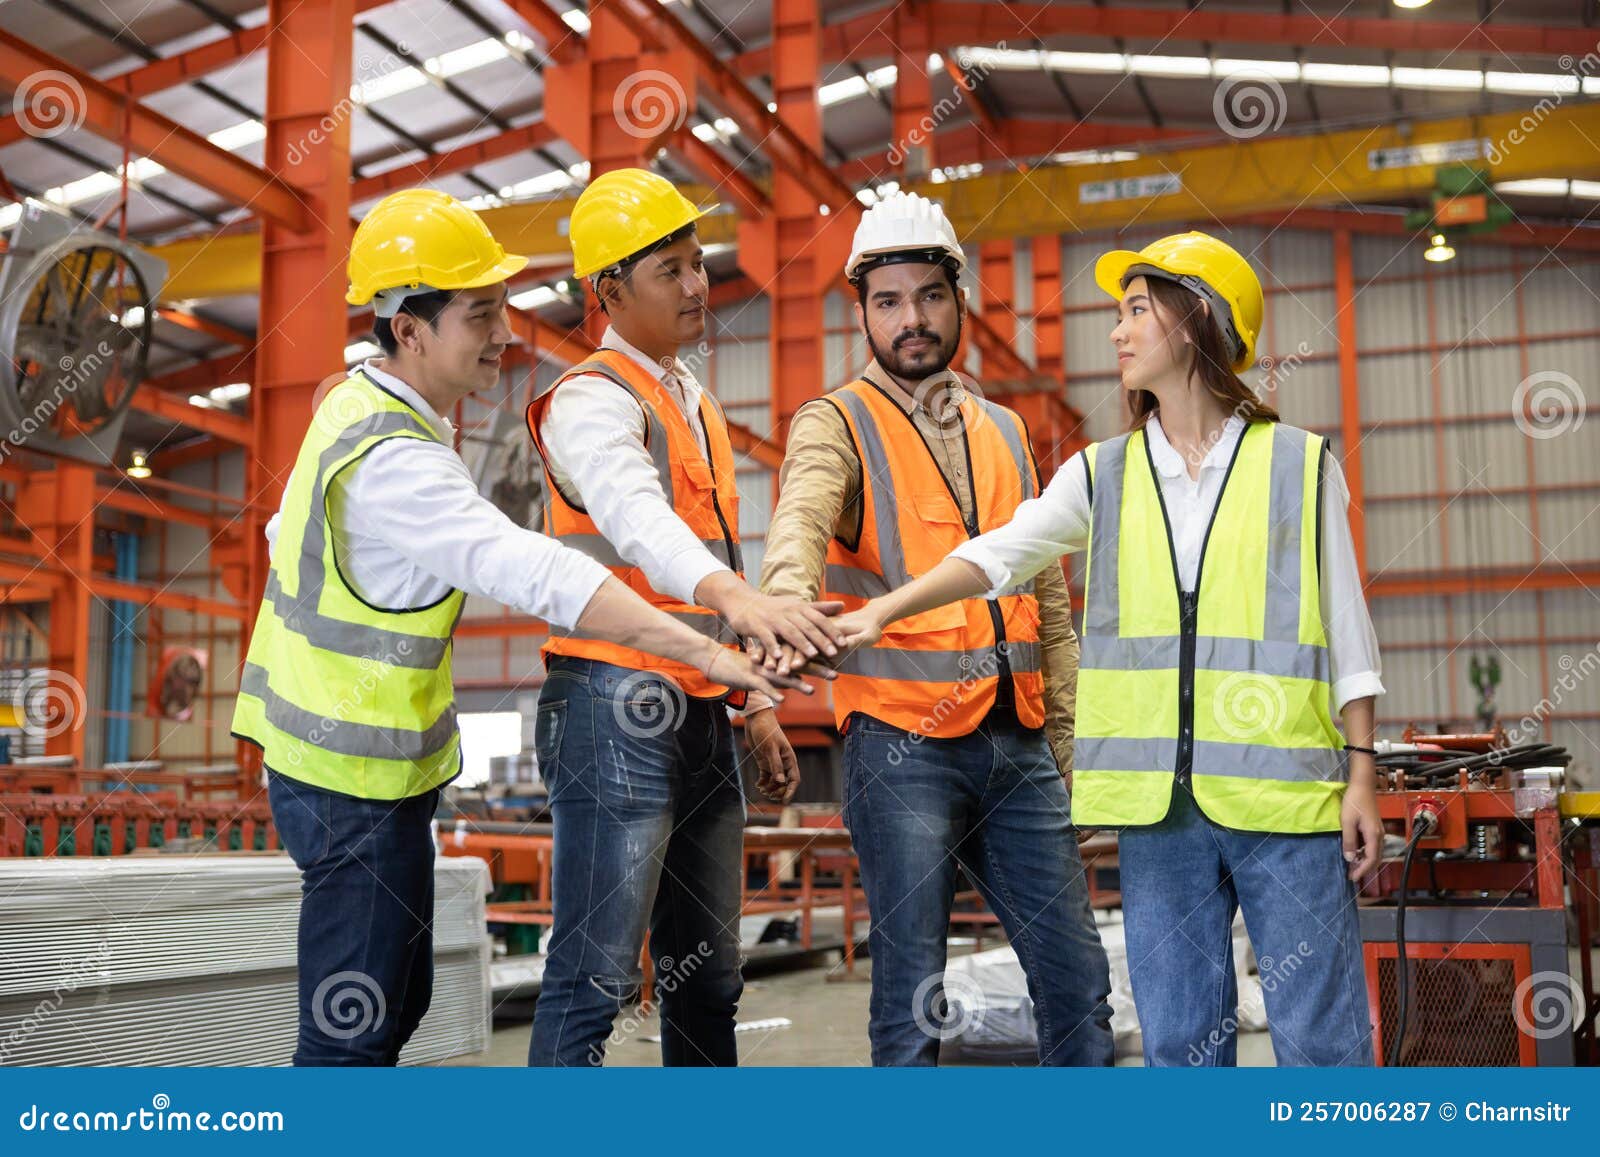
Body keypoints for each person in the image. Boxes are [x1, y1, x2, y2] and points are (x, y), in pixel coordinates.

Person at [233, 187, 809, 1067]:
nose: (505, 333)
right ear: (407, 329)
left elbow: (286, 539)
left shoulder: (361, 415)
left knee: (390, 1000)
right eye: (481, 315)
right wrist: (714, 639)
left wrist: (737, 682)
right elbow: (539, 567)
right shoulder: (401, 457)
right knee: (362, 1023)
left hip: (362, 765)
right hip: (352, 766)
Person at [831, 231, 1384, 1067]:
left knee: (1321, 1043)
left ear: (1197, 319)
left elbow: (1349, 630)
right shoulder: (1103, 473)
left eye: (1134, 310)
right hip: (1156, 813)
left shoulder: (1300, 466)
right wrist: (884, 612)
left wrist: (1364, 775)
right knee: (1179, 1045)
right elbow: (998, 553)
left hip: (1287, 807)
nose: (1117, 332)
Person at [755, 191, 1114, 1066]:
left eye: (927, 296)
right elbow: (799, 523)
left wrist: (1066, 744)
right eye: (887, 301)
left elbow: (1049, 601)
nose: (910, 319)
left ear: (958, 299)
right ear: (862, 311)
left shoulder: (1005, 429)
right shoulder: (835, 422)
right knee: (912, 997)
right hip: (900, 743)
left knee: (1077, 981)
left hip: (1020, 742)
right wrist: (778, 609)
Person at [523, 168, 846, 1067]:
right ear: (609, 291)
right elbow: (638, 519)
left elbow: (719, 550)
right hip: (611, 703)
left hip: (704, 708)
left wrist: (756, 705)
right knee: (593, 975)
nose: (700, 285)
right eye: (673, 268)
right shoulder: (590, 398)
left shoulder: (694, 402)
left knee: (707, 978)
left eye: (700, 263)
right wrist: (743, 603)